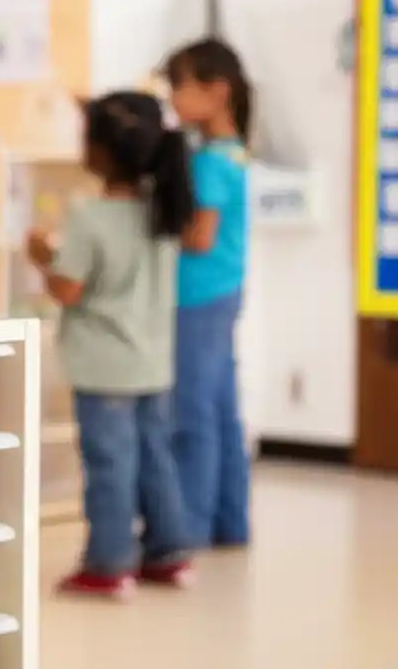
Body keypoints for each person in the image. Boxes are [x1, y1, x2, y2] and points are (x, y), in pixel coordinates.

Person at [27, 92, 196, 598]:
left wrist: (41, 256)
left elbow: (68, 288)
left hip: (104, 368)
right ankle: (168, 553)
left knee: (109, 465)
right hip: (151, 361)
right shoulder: (164, 211)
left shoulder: (89, 216)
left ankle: (108, 562)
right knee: (154, 458)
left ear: (101, 151)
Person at [164, 38, 253, 548]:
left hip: (197, 297)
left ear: (217, 91)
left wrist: (157, 229)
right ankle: (229, 522)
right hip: (225, 290)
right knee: (220, 410)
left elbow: (200, 237)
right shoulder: (233, 151)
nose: (174, 98)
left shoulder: (209, 163)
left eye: (181, 86)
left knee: (192, 414)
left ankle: (190, 528)